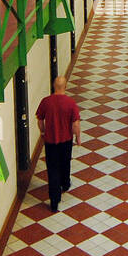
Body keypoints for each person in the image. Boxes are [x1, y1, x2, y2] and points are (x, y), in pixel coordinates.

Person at [36, 76, 81, 212]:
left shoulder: (46, 102)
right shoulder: (70, 103)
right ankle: (65, 183)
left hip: (50, 141)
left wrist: (43, 132)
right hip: (66, 140)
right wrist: (78, 137)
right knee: (65, 162)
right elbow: (75, 124)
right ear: (65, 87)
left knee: (52, 168)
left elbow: (39, 119)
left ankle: (54, 200)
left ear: (53, 86)